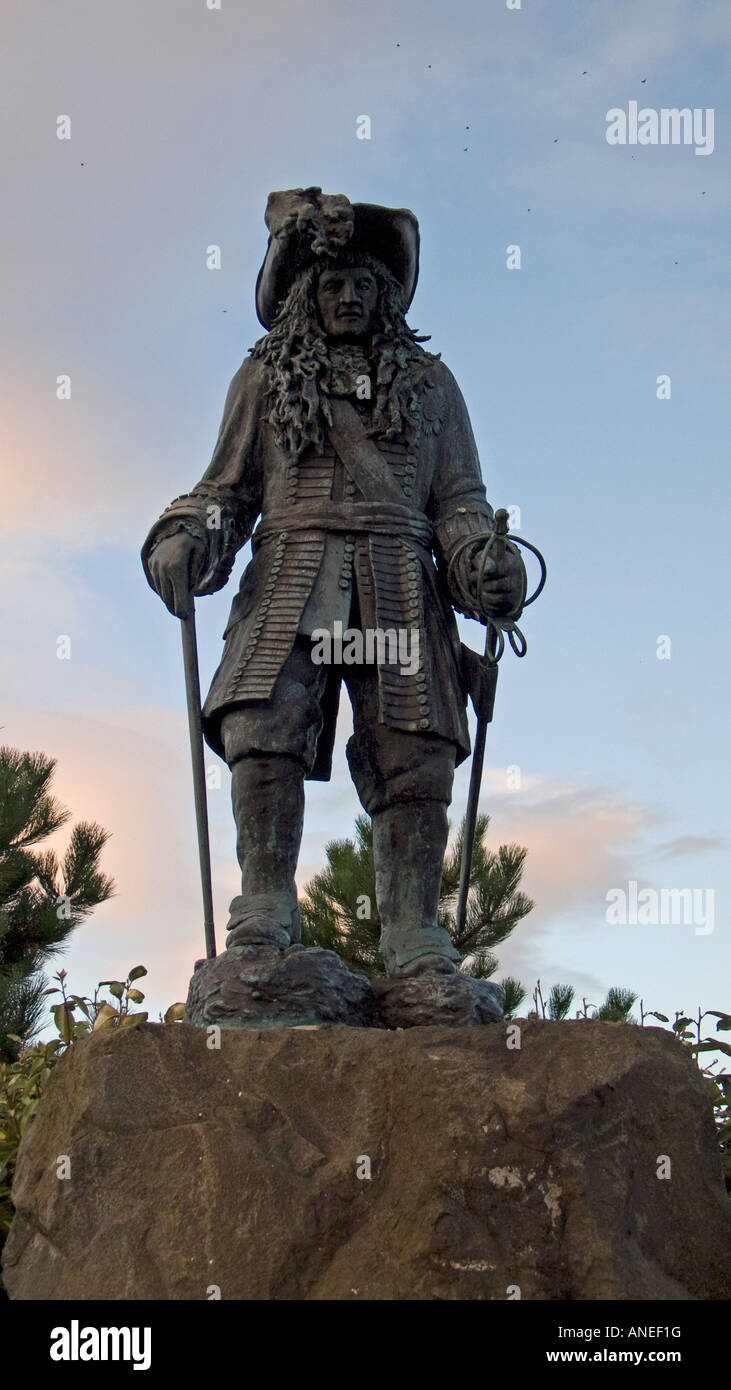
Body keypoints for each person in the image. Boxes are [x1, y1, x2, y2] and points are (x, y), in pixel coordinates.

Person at [142, 187, 525, 978]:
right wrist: (185, 537)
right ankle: (265, 907)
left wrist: (485, 564)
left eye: (362, 284)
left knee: (413, 753)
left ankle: (415, 931)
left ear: (386, 296)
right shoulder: (262, 380)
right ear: (303, 298)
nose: (347, 296)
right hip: (292, 579)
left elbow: (459, 505)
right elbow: (227, 493)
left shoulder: (433, 386)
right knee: (265, 729)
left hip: (394, 585)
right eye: (329, 284)